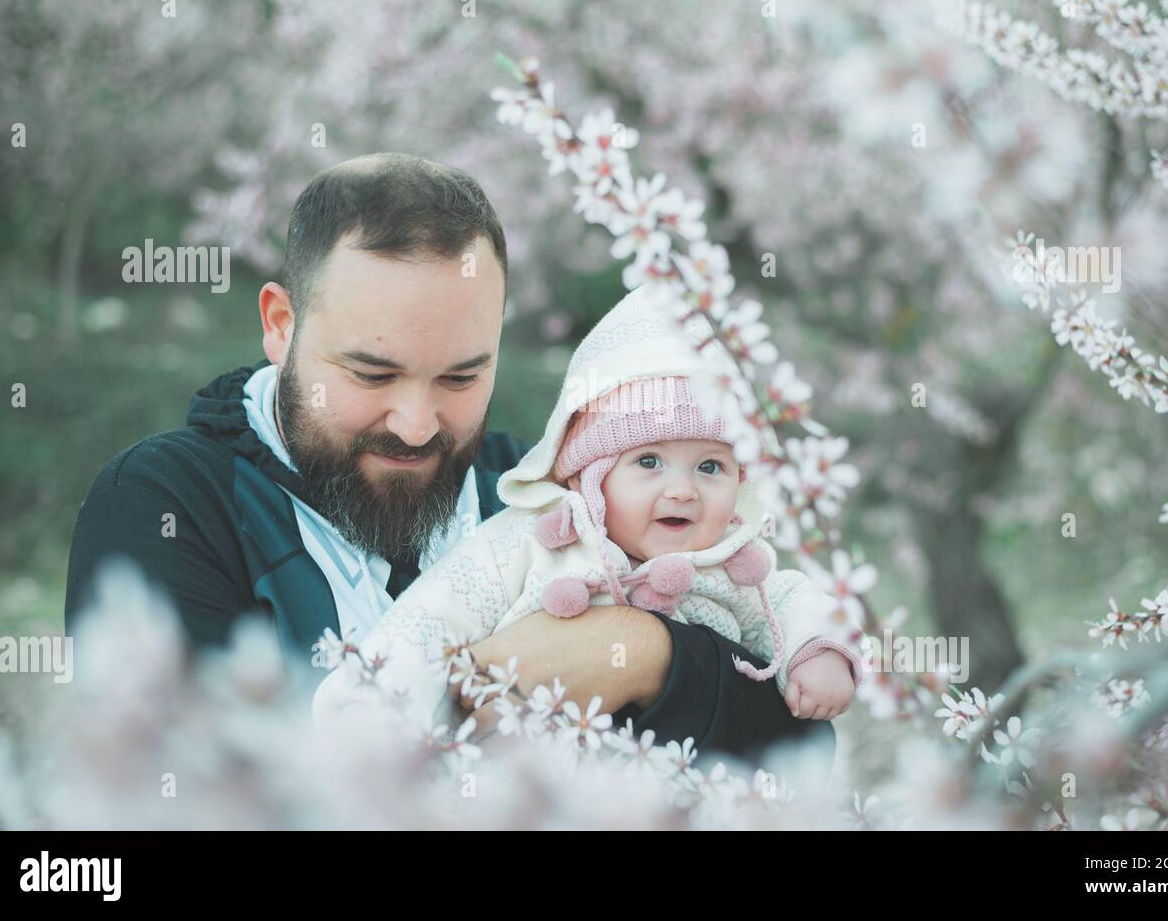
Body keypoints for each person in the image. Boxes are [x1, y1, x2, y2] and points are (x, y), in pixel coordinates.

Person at [65, 151, 834, 763]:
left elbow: (800, 755)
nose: (417, 423)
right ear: (280, 323)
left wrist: (649, 654)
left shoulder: (551, 503)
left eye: (462, 375)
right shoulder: (166, 503)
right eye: (372, 373)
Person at [313, 284, 865, 736]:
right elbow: (435, 616)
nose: (683, 491)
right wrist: (372, 715)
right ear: (590, 475)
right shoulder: (530, 541)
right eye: (649, 461)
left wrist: (816, 653)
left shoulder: (734, 567)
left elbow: (797, 602)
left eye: (710, 467)